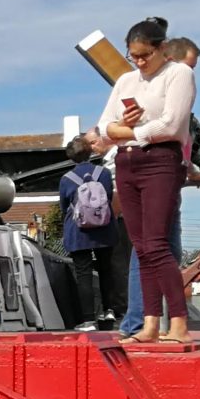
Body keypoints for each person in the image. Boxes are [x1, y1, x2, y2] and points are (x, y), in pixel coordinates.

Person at [100, 16, 196, 343]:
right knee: (141, 248)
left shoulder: (179, 74)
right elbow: (104, 128)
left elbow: (171, 126)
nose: (140, 62)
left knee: (156, 244)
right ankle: (151, 323)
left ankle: (179, 322)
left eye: (145, 55)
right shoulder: (126, 81)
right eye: (134, 56)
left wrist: (127, 131)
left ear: (162, 49)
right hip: (127, 163)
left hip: (161, 161)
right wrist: (125, 129)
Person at [58, 133, 118, 327]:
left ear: (71, 157)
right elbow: (108, 197)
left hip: (79, 232)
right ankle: (109, 313)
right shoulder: (104, 173)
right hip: (104, 228)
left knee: (83, 274)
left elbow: (64, 205)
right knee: (106, 270)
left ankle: (88, 319)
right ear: (90, 151)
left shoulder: (66, 179)